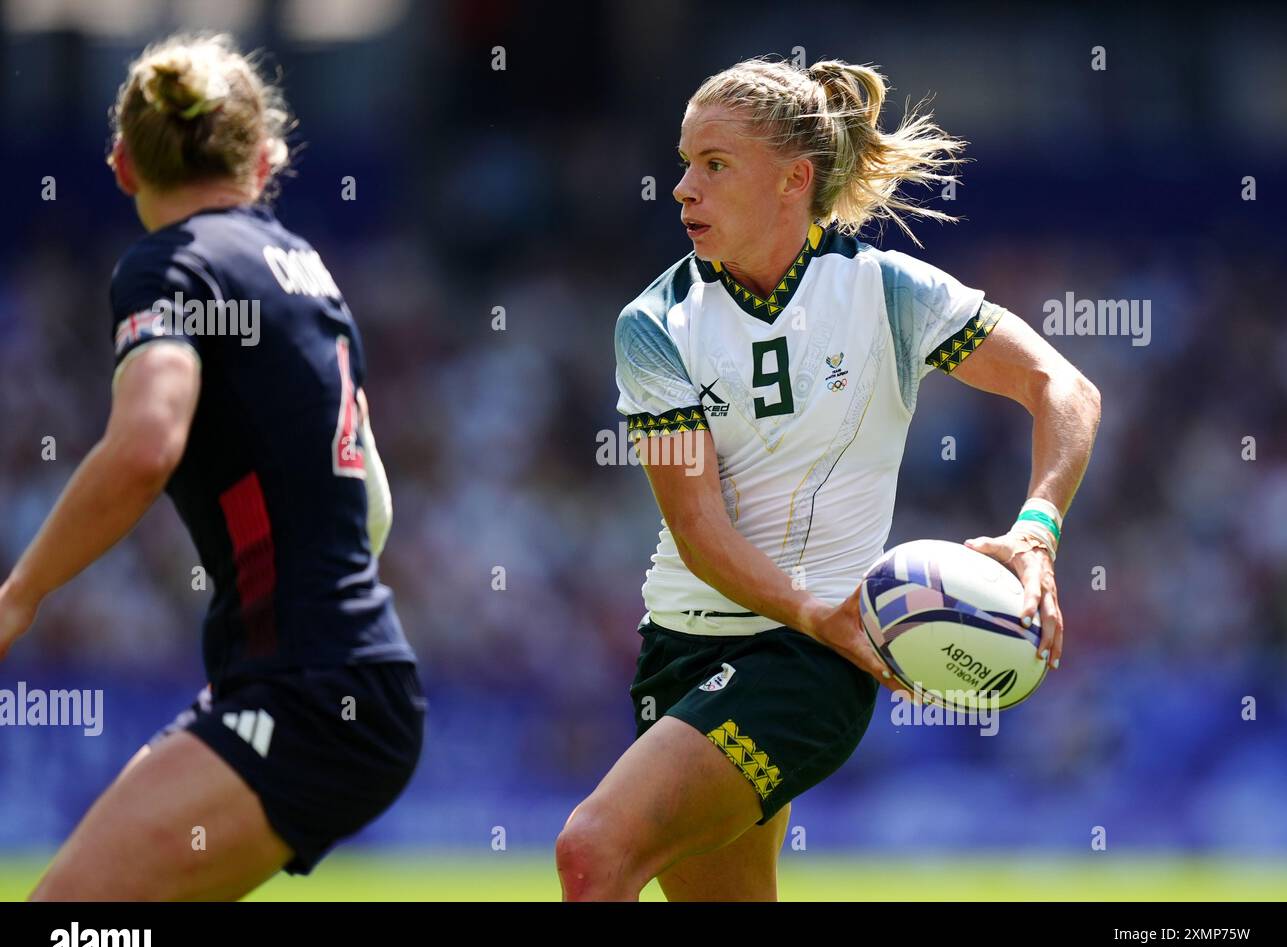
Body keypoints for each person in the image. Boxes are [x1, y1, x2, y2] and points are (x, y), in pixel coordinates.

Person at [556, 57, 1101, 901]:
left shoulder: (888, 292)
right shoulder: (656, 324)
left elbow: (1063, 387)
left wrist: (1037, 528)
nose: (682, 189)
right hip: (680, 649)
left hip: (814, 655)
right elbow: (698, 530)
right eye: (685, 163)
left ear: (794, 179)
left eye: (715, 164)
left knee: (592, 851)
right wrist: (816, 613)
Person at [0, 33, 425, 900]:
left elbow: (146, 445)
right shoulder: (309, 275)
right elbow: (373, 509)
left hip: (304, 696)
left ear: (123, 164)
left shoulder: (170, 266)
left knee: (69, 930)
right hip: (340, 677)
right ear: (265, 160)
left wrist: (20, 595)